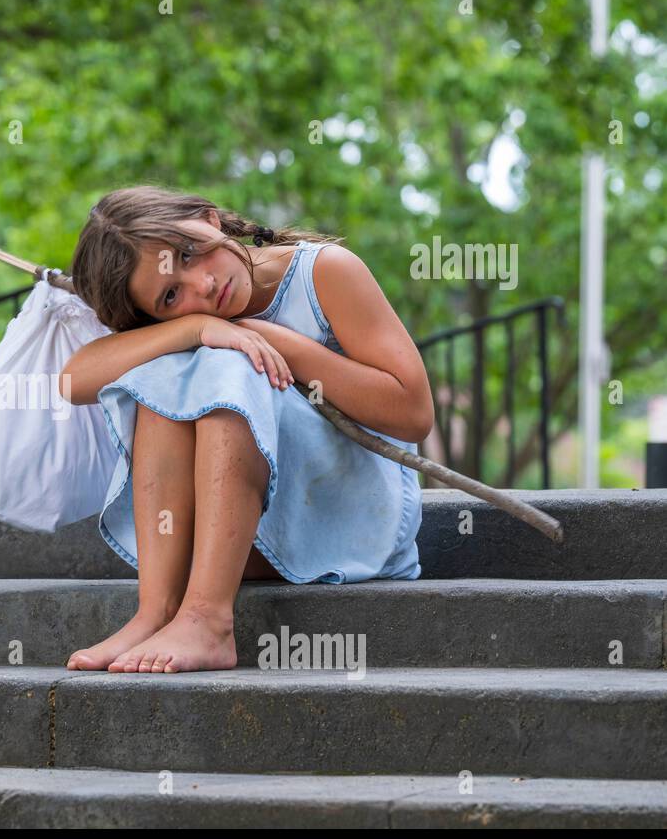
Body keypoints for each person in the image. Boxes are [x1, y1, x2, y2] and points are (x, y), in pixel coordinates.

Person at [58, 185, 433, 674]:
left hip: (359, 527)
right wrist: (193, 331)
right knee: (162, 379)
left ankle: (208, 620)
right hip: (249, 544)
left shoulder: (323, 272)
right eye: (171, 295)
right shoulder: (195, 321)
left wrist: (267, 340)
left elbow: (414, 412)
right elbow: (72, 380)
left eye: (189, 254)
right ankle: (157, 611)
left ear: (210, 219)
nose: (202, 286)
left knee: (228, 368)